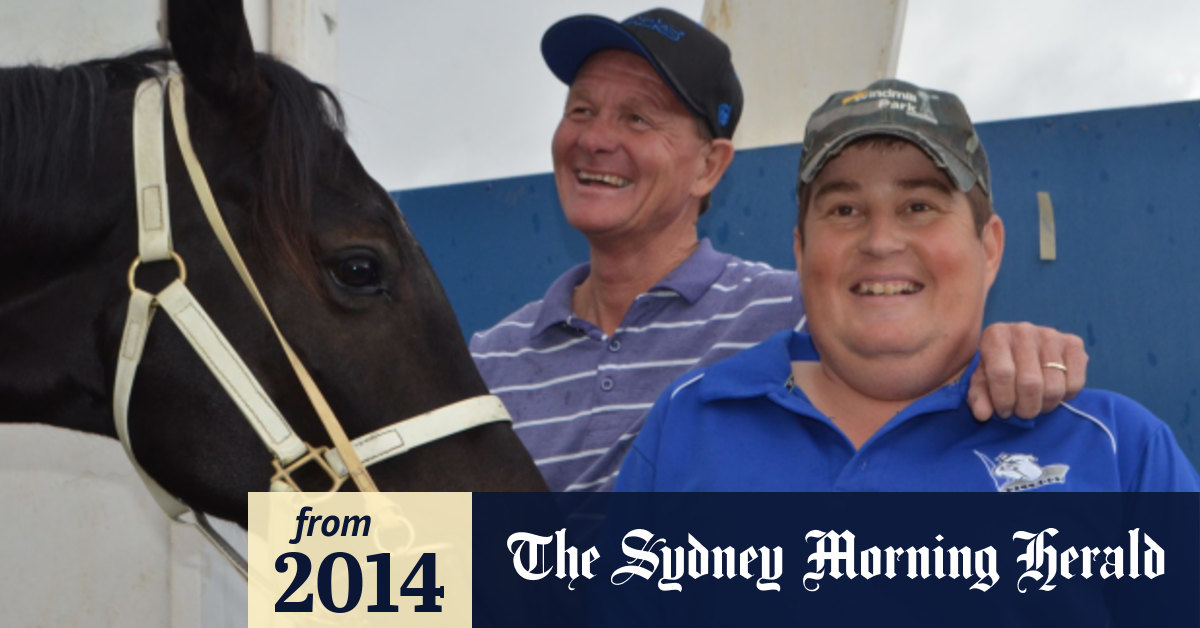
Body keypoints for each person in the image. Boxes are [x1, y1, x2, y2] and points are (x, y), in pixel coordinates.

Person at [471, 8, 1087, 492]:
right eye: (581, 109)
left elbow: (922, 340)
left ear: (710, 166)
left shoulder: (802, 312)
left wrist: (1011, 352)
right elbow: (423, 575)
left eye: (637, 119)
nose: (596, 139)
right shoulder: (482, 360)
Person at [615, 78, 1200, 491]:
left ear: (989, 248)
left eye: (919, 205)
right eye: (844, 210)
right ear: (800, 250)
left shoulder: (1119, 450)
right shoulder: (687, 426)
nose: (881, 241)